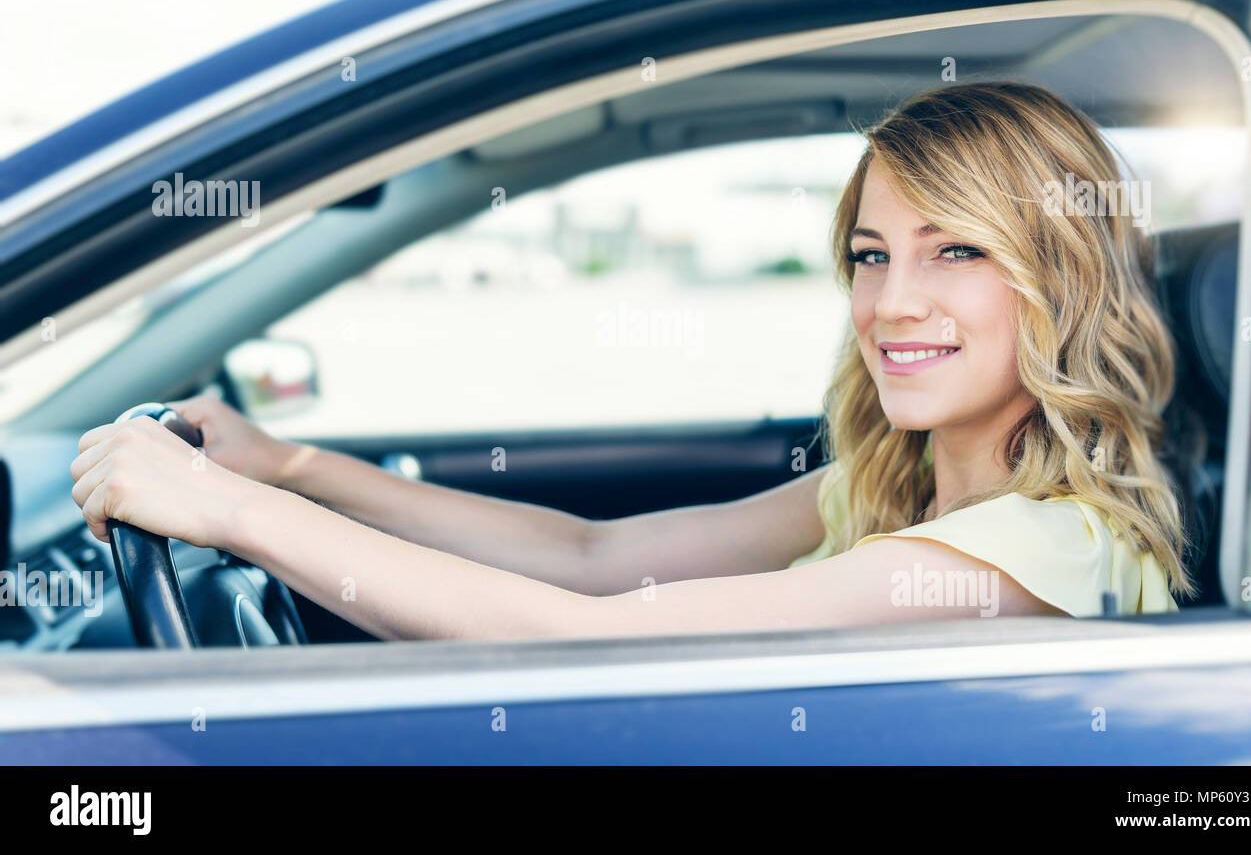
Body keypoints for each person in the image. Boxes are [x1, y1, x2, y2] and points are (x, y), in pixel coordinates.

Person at [69, 81, 1189, 641]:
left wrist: (224, 514)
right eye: (868, 254)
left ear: (1060, 275)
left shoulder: (1022, 555)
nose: (892, 302)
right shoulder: (895, 494)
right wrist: (288, 468)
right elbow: (594, 557)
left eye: (955, 252)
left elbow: (586, 638)